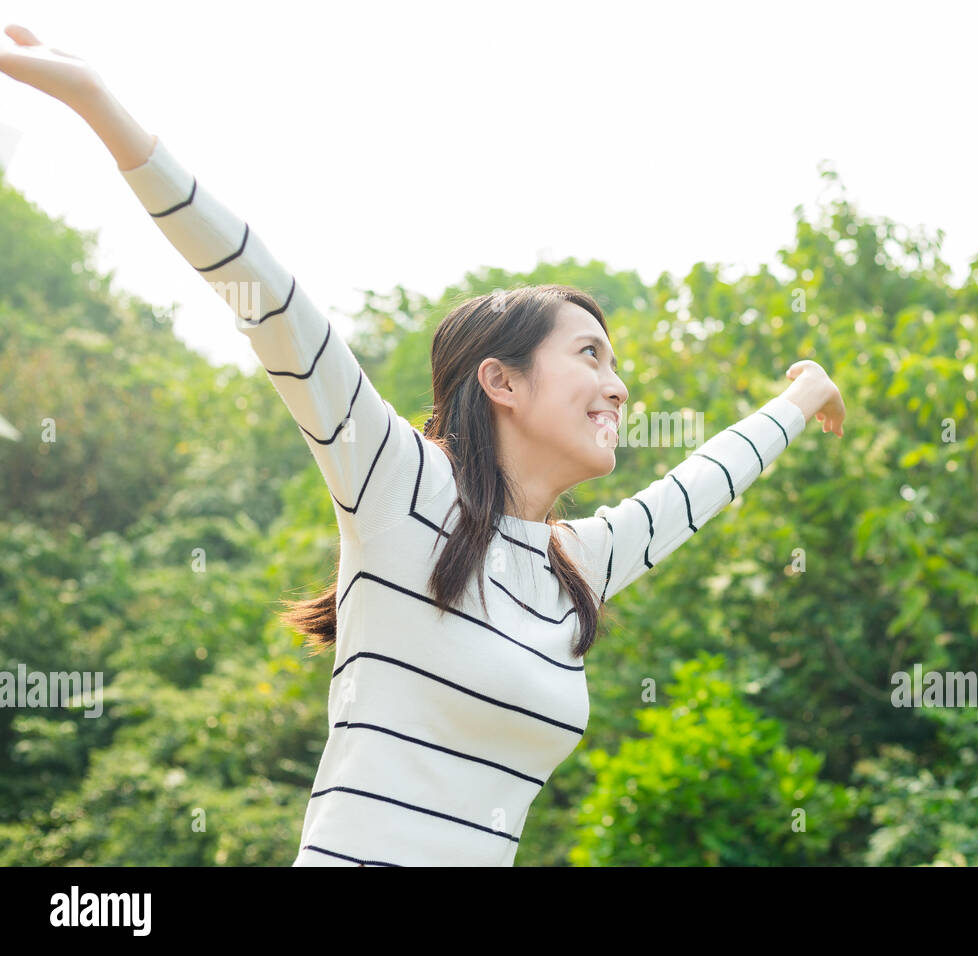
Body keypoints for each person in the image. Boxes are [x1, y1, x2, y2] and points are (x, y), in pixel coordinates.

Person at [0, 23, 847, 866]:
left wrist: (802, 399)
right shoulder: (400, 488)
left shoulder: (575, 564)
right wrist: (97, 103)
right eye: (590, 354)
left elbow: (700, 486)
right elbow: (271, 302)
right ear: (501, 381)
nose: (619, 386)